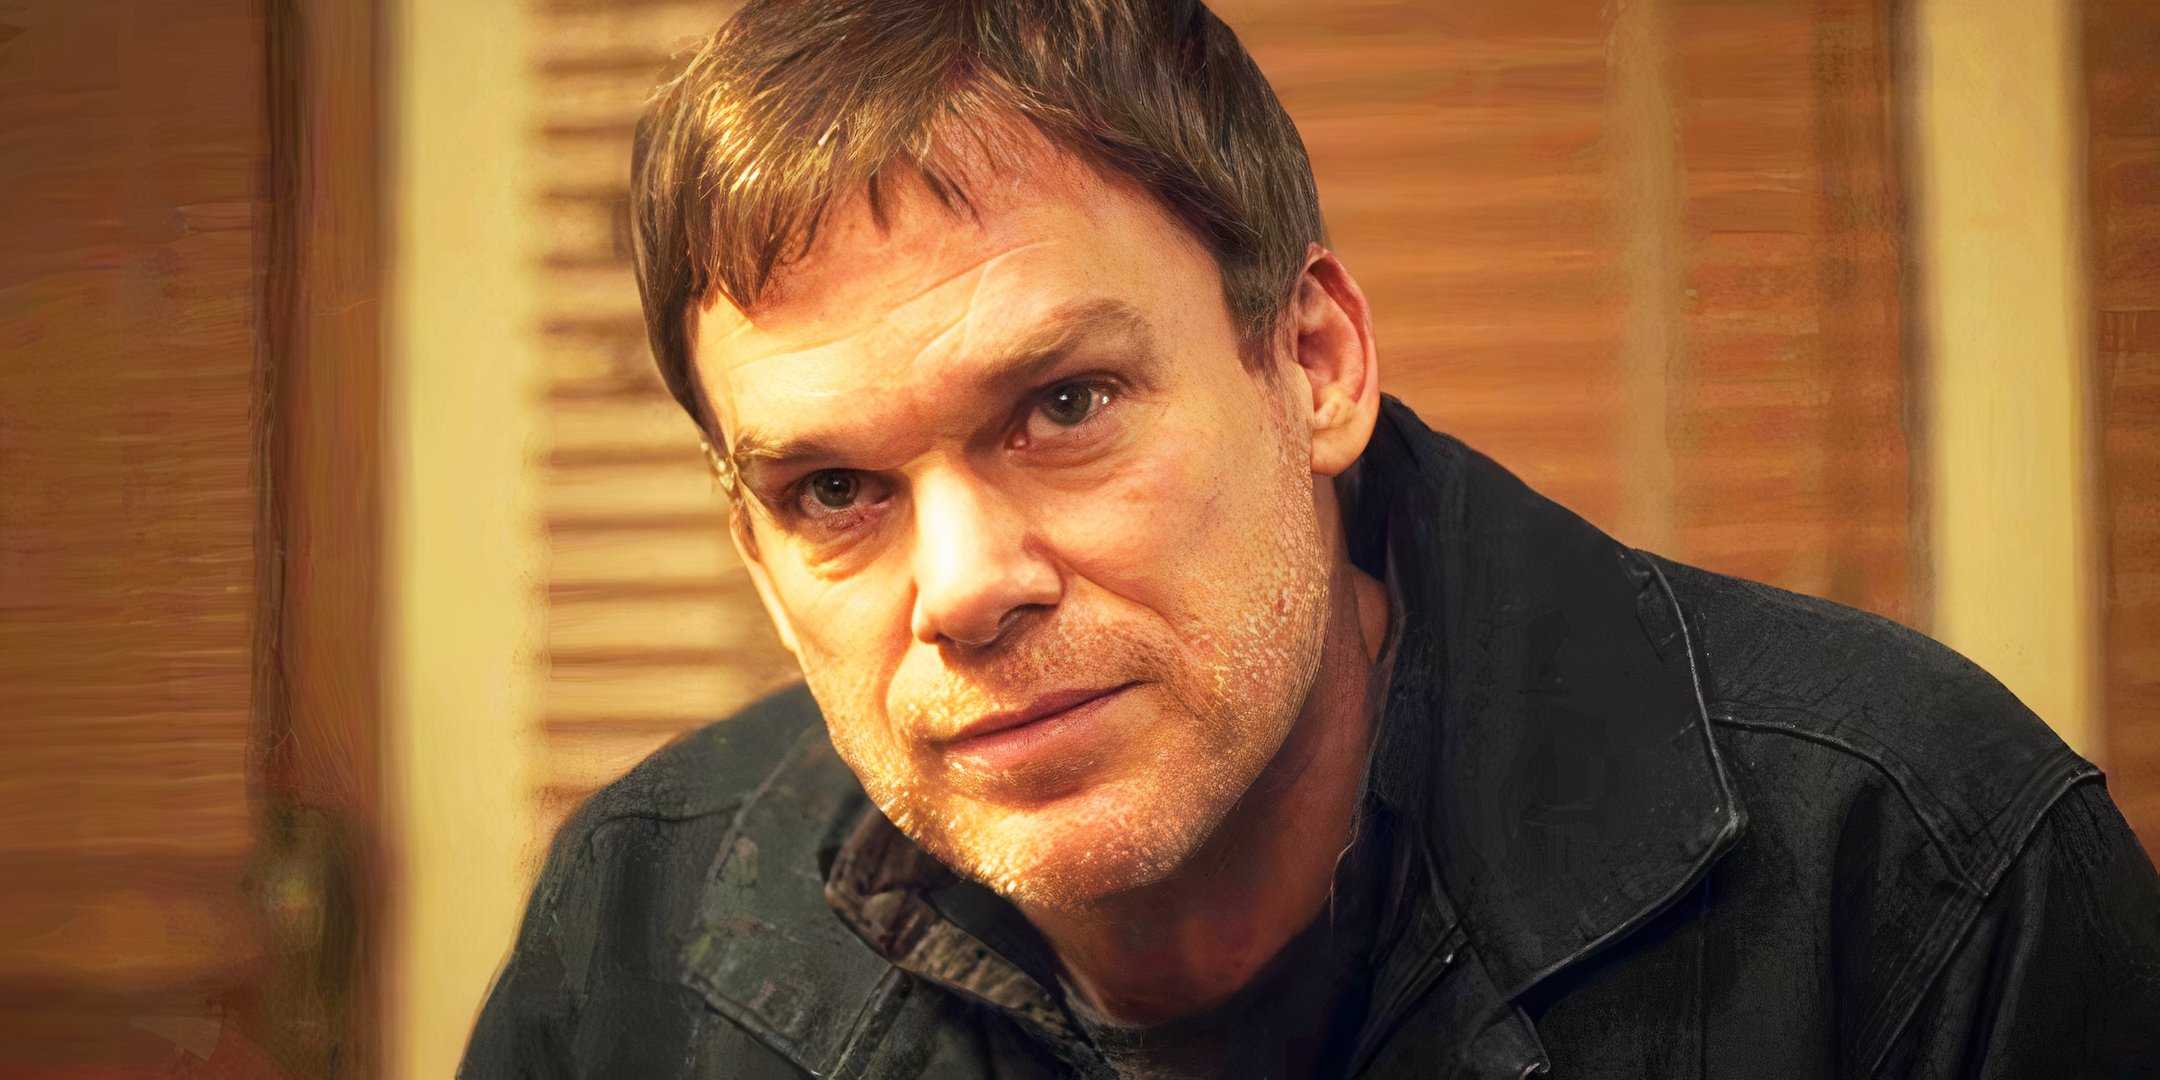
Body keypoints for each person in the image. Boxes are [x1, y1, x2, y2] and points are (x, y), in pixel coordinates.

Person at [462, 1, 2160, 1076]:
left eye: (1064, 404)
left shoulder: (1912, 870)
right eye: (834, 493)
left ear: (1316, 361)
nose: (965, 586)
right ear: (759, 558)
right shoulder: (636, 928)